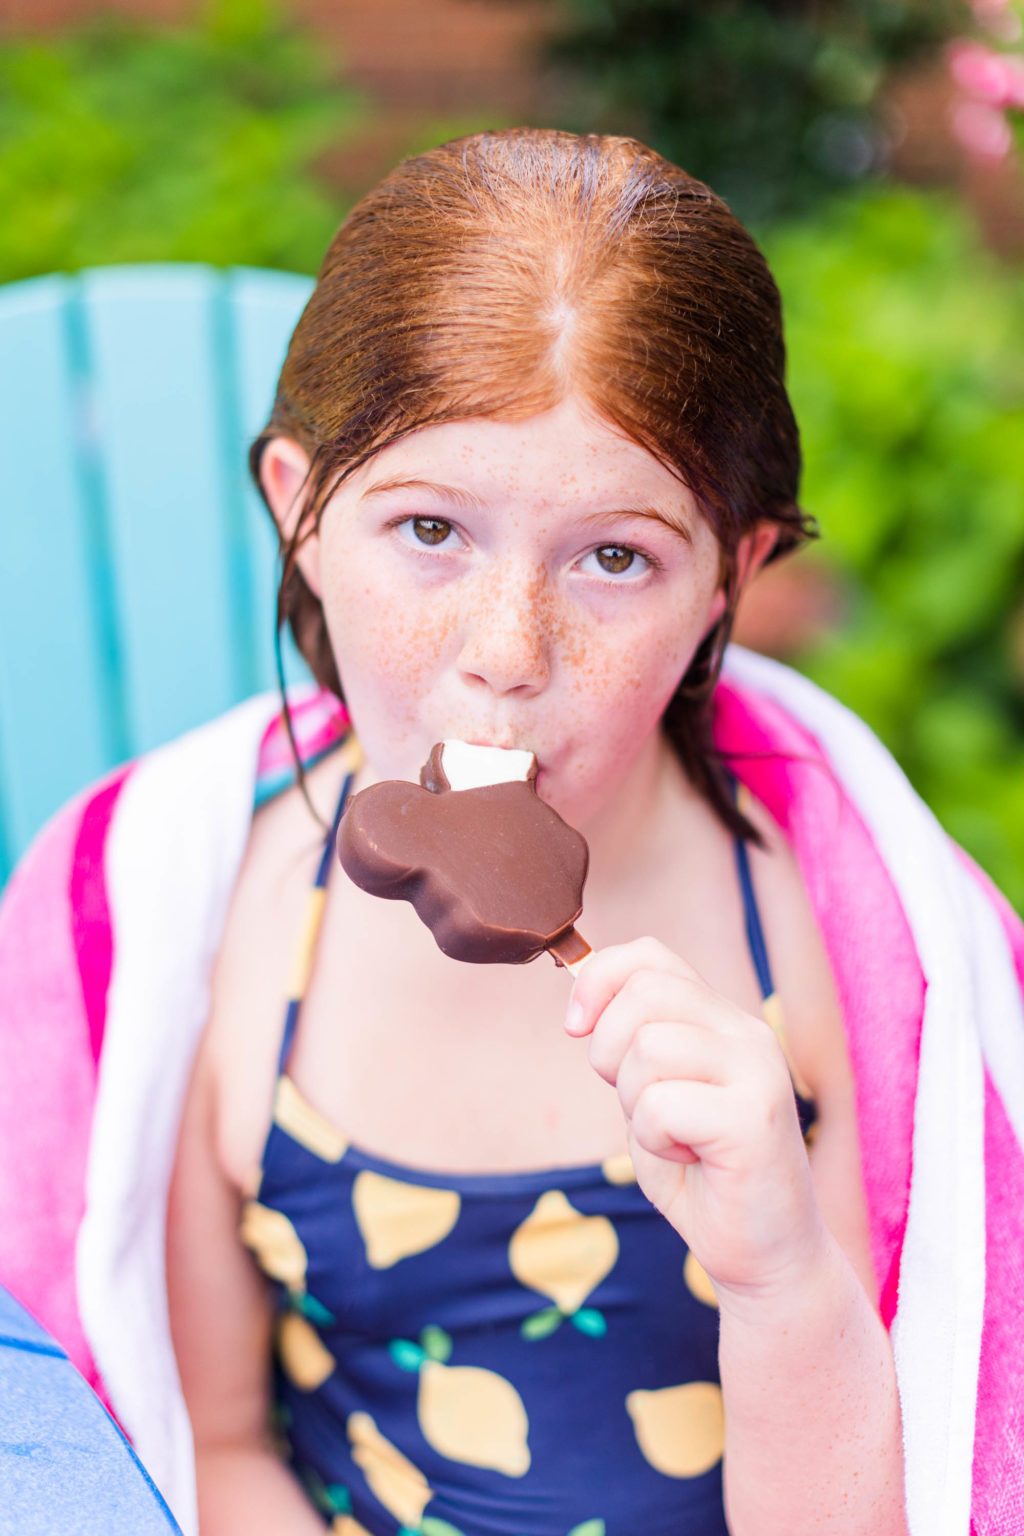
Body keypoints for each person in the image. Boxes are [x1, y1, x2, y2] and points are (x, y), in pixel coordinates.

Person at [1, 129, 1022, 1536]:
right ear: (301, 513)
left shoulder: (827, 949)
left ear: (731, 579)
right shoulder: (196, 935)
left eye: (616, 557)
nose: (506, 652)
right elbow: (209, 1442)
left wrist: (783, 1277)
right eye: (430, 530)